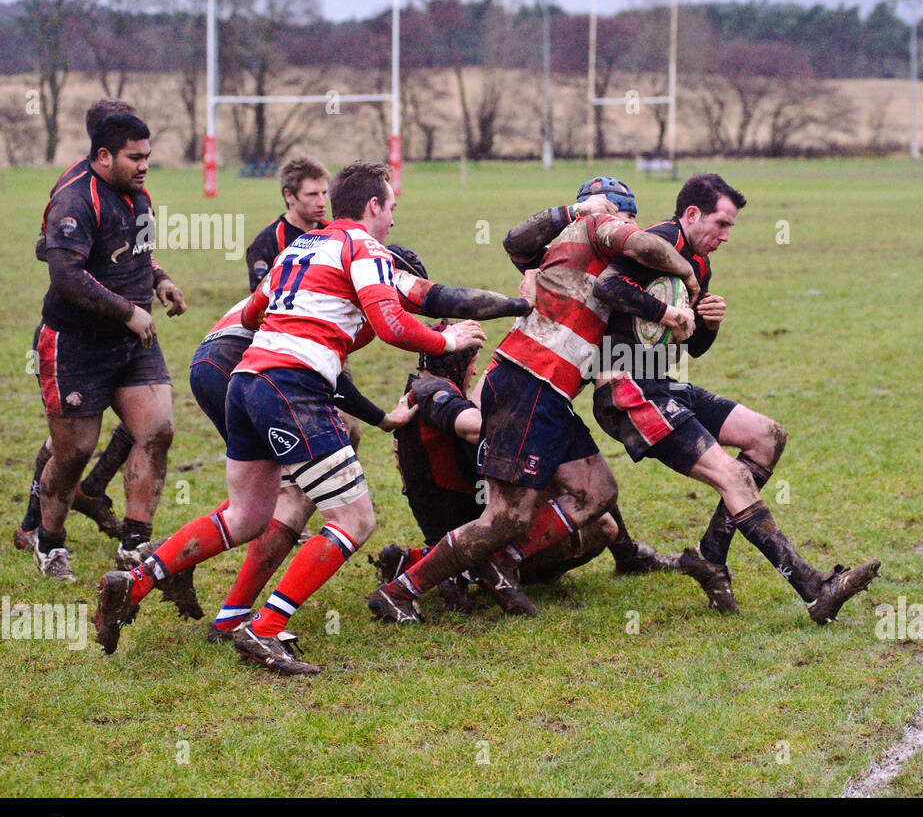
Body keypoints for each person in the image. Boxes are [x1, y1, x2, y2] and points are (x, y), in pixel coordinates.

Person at [93, 160, 485, 675]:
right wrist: (447, 339)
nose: (392, 217)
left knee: (248, 513)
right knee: (353, 517)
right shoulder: (362, 250)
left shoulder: (302, 247)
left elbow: (258, 314)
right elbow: (390, 325)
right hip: (280, 382)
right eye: (391, 207)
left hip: (243, 377)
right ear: (373, 207)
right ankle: (263, 627)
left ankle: (138, 581)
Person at [366, 178, 698, 625]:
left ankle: (502, 561)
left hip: (550, 390)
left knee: (597, 490)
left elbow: (520, 245)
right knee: (506, 517)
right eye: (633, 215)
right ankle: (401, 590)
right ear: (617, 212)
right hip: (527, 381)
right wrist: (688, 275)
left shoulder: (576, 254)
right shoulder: (601, 226)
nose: (638, 226)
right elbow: (645, 246)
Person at [190, 244, 531, 640]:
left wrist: (381, 419)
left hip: (239, 370)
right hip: (250, 371)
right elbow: (428, 310)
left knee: (258, 506)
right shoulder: (358, 283)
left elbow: (330, 375)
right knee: (328, 511)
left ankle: (152, 577)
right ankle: (258, 624)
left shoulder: (328, 273)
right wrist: (509, 314)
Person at [589, 173, 879, 624]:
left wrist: (708, 323)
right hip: (623, 385)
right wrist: (668, 310)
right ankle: (814, 588)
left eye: (731, 227)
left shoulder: (699, 265)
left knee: (767, 437)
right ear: (691, 215)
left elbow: (692, 347)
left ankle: (709, 556)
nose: (725, 235)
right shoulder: (656, 242)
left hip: (659, 380)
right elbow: (606, 287)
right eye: (720, 224)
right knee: (733, 478)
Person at [377, 320, 632, 617]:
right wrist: (529, 415)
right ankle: (466, 568)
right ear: (457, 360)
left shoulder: (419, 389)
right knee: (599, 527)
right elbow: (472, 427)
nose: (474, 371)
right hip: (464, 520)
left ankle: (421, 562)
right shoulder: (434, 392)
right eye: (473, 362)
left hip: (454, 510)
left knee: (574, 478)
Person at [32, 111, 187, 582]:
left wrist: (159, 280)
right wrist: (126, 310)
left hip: (133, 342)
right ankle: (49, 541)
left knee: (157, 430)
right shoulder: (76, 199)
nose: (144, 166)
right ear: (103, 156)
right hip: (76, 344)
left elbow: (135, 249)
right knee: (74, 452)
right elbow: (66, 275)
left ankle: (135, 541)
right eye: (134, 157)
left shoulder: (137, 194)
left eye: (147, 157)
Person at [15, 99, 144, 553]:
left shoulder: (128, 186)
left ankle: (85, 494)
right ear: (102, 146)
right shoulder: (74, 186)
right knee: (68, 445)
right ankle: (37, 524)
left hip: (121, 331)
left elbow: (129, 246)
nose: (141, 160)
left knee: (146, 423)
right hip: (79, 328)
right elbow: (48, 249)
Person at [245, 157, 330, 291]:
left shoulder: (335, 234)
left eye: (324, 193)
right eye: (312, 194)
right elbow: (260, 305)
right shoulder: (266, 243)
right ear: (289, 195)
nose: (322, 203)